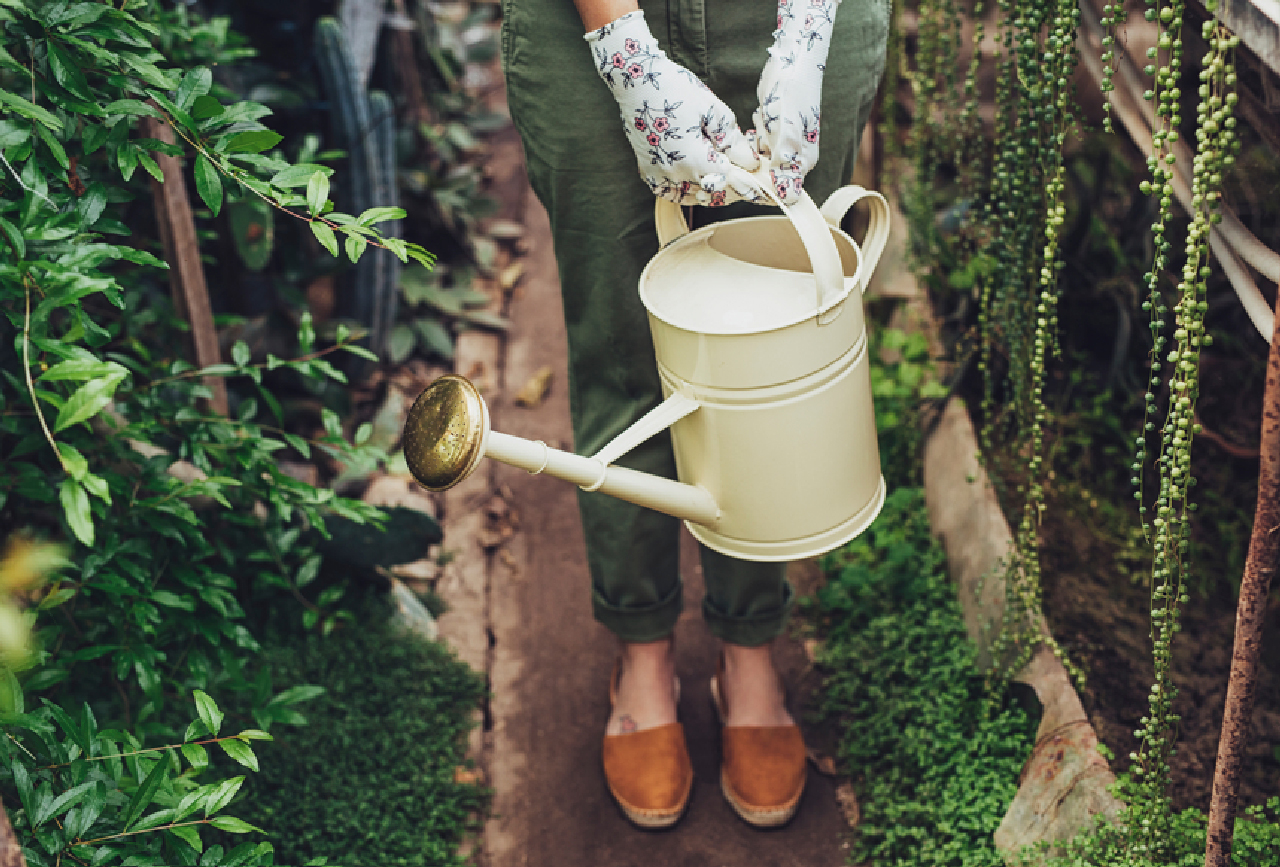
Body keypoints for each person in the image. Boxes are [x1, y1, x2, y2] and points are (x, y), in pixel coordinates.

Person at [500, 0, 888, 828]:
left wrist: (808, 31)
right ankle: (640, 652)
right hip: (585, 22)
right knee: (619, 343)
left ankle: (749, 649)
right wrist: (623, 46)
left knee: (772, 348)